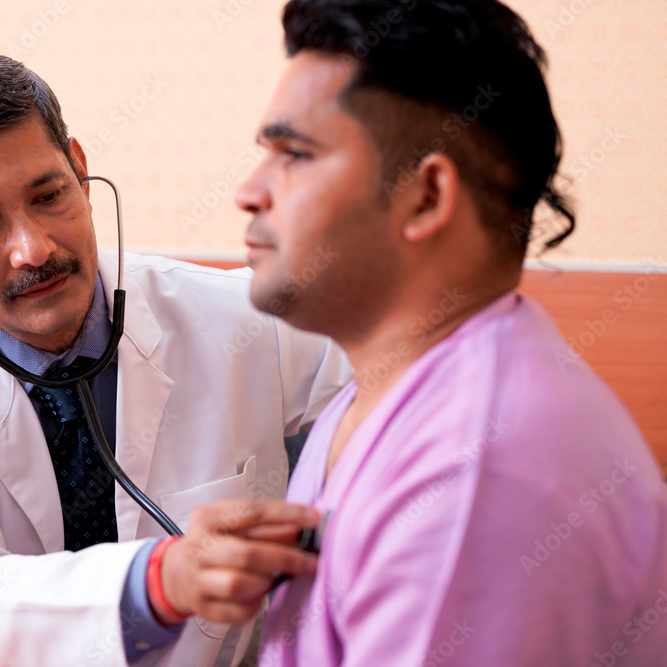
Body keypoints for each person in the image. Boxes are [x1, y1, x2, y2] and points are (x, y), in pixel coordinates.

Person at [0, 50, 348, 667]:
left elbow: (410, 376)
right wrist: (160, 580)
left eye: (49, 196)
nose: (34, 248)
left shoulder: (245, 321)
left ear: (79, 170)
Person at [217, 0, 667, 664]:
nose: (249, 191)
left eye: (296, 154)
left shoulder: (473, 473)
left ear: (425, 196)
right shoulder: (375, 396)